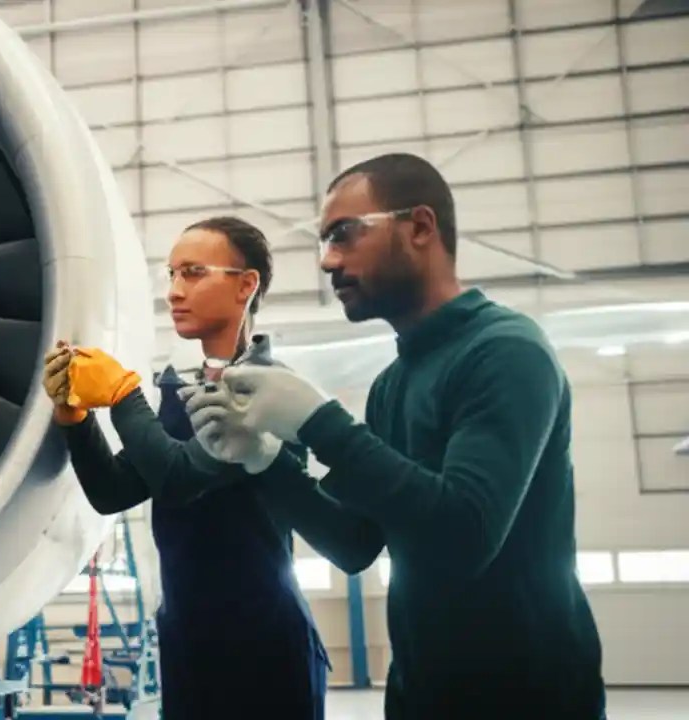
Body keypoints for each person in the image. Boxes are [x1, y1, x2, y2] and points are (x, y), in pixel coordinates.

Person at [184, 154, 606, 719]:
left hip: (531, 702)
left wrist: (319, 421)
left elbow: (465, 535)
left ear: (420, 227)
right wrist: (267, 462)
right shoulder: (392, 384)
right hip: (421, 696)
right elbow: (356, 543)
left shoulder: (505, 352)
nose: (328, 260)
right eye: (323, 242)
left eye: (344, 233)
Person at [41, 216, 329, 719]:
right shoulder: (181, 393)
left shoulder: (267, 389)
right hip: (189, 643)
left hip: (264, 648)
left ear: (246, 285)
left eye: (193, 273)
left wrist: (123, 394)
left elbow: (179, 479)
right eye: (172, 274)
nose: (174, 290)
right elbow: (112, 490)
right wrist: (74, 418)